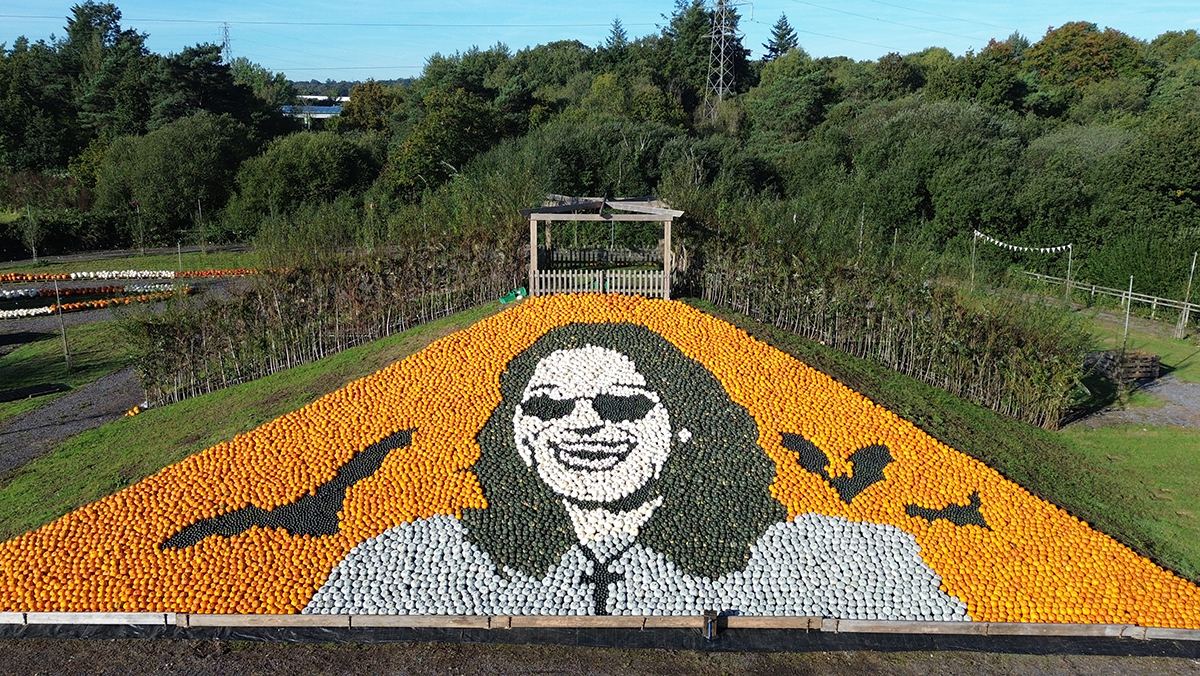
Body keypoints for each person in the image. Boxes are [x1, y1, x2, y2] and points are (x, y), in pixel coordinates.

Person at [305, 323, 968, 619]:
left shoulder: (848, 552)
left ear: (684, 426)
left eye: (621, 403)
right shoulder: (398, 555)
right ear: (513, 431)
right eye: (548, 405)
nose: (583, 423)